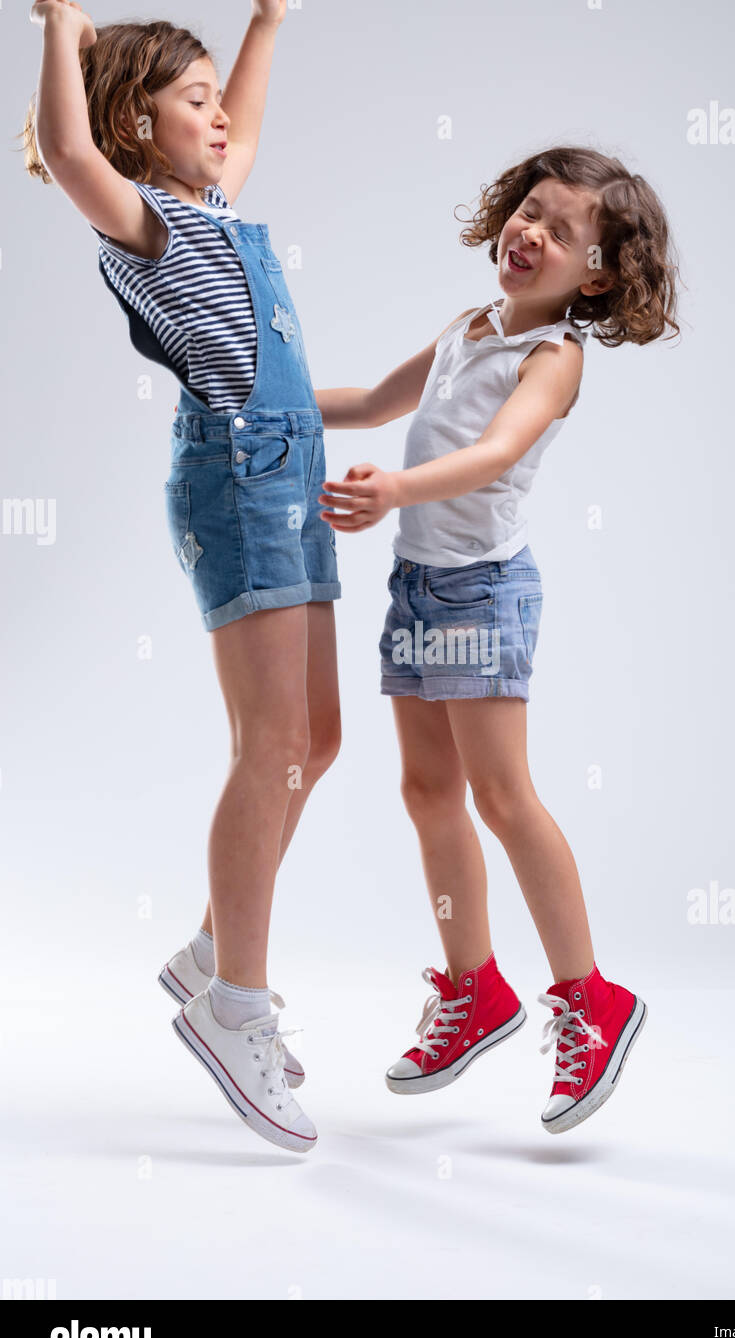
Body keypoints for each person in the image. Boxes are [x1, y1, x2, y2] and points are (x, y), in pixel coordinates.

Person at [24, 0, 338, 1153]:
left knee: (322, 738)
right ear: (133, 123)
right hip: (240, 480)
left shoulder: (221, 209)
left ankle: (210, 952)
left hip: (295, 472)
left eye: (216, 98)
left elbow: (244, 125)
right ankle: (234, 1005)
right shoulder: (147, 220)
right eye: (191, 100)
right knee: (271, 746)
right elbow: (65, 150)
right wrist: (61, 19)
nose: (219, 119)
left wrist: (266, 21)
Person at [315, 146, 680, 1133]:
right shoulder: (468, 326)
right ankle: (475, 986)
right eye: (530, 209)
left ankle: (592, 1001)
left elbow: (493, 455)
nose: (531, 231)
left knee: (503, 796)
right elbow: (372, 403)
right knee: (426, 790)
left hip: (481, 594)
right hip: (421, 585)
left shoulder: (553, 356)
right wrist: (270, 401)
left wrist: (390, 491)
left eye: (562, 231)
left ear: (594, 275)